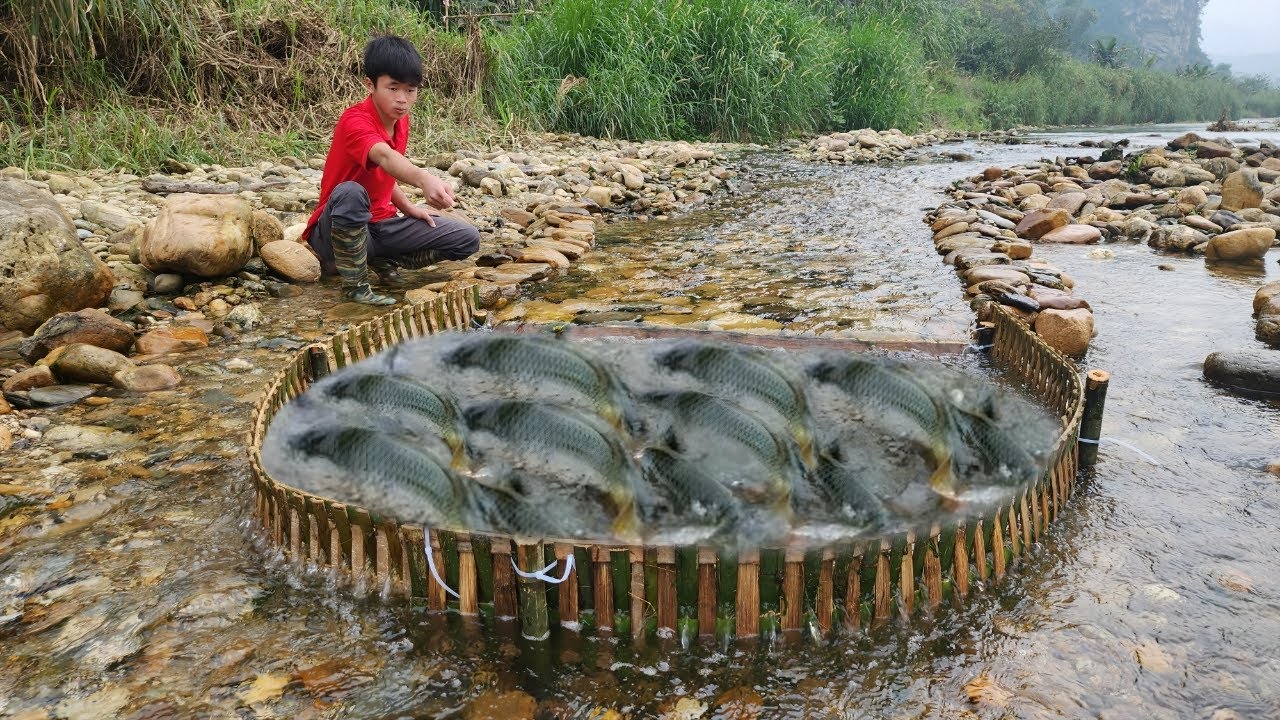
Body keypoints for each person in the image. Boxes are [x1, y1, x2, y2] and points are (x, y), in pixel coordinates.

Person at [303, 35, 480, 305]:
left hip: (380, 228)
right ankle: (356, 286)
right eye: (393, 88)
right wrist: (424, 179)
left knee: (466, 238)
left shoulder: (401, 122)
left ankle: (380, 260)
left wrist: (408, 206)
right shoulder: (355, 120)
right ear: (370, 85)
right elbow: (384, 157)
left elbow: (383, 174)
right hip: (336, 231)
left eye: (410, 90)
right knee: (350, 192)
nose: (402, 100)